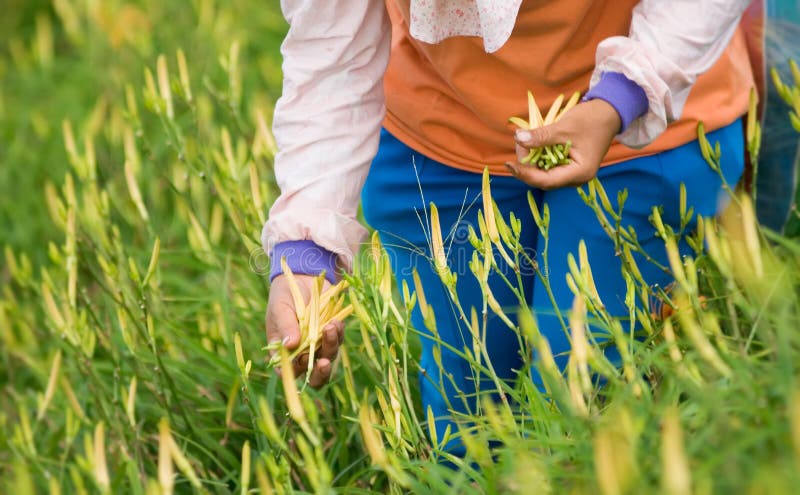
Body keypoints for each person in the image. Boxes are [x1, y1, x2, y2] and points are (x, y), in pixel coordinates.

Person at [263, 0, 762, 455]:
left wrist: (619, 98)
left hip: (651, 114)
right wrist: (306, 252)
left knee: (587, 411)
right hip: (443, 137)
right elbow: (331, 57)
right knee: (470, 429)